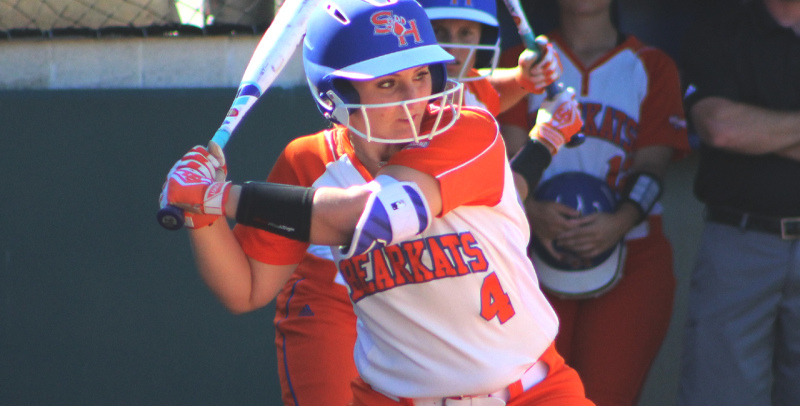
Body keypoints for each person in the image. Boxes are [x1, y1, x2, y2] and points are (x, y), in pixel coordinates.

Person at [160, 0, 590, 406]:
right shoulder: (307, 162)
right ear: (337, 97)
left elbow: (375, 215)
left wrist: (218, 195)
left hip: (529, 392)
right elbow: (245, 289)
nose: (412, 101)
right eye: (387, 83)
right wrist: (201, 214)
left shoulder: (466, 131)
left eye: (421, 75)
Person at [269, 0, 566, 406]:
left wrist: (525, 79)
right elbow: (373, 217)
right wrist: (544, 143)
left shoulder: (455, 108)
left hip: (430, 318)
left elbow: (481, 91)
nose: (456, 47)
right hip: (340, 299)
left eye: (467, 34)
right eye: (441, 32)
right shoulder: (314, 153)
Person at [497, 0, 690, 406]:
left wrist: (620, 220)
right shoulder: (520, 65)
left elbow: (653, 166)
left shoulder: (653, 66)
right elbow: (509, 164)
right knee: (530, 397)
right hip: (530, 254)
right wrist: (531, 212)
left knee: (605, 397)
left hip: (631, 251)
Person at [678, 0, 800, 406]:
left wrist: (765, 131)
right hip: (740, 242)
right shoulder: (717, 27)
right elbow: (721, 127)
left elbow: (740, 126)